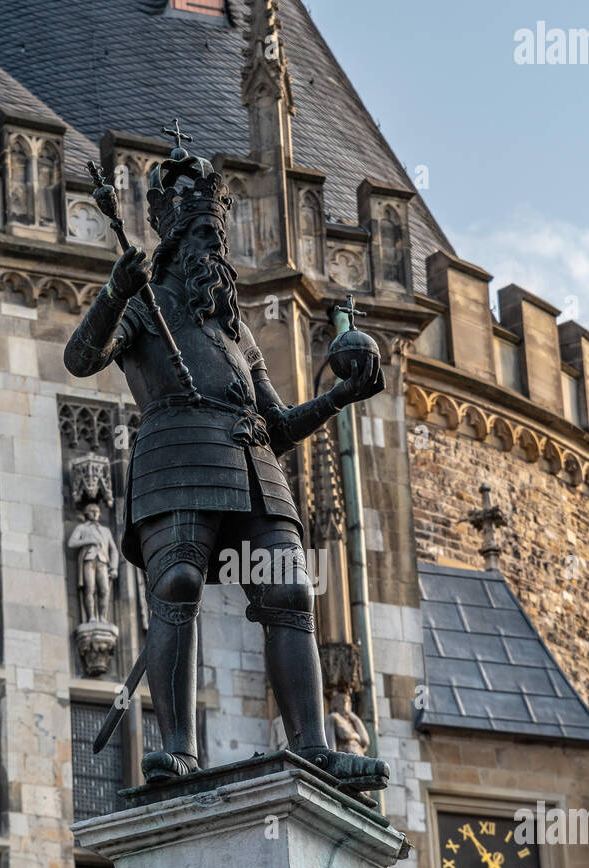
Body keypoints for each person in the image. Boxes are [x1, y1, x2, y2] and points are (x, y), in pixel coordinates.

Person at [64, 139, 388, 794]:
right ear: (175, 243)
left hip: (252, 464)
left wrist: (339, 397)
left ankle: (314, 747)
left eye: (216, 238)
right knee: (178, 581)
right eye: (201, 238)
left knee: (289, 592)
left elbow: (278, 426)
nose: (212, 250)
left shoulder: (238, 334)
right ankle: (178, 750)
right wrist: (111, 291)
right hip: (177, 455)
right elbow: (80, 358)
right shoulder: (144, 310)